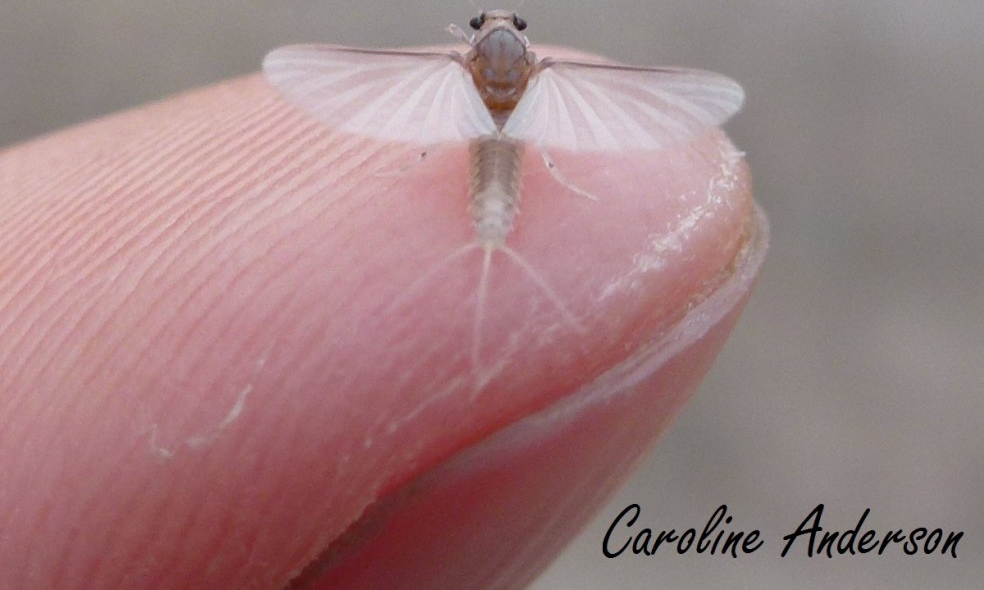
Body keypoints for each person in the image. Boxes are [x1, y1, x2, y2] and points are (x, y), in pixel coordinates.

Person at [0, 61, 765, 588]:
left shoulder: (463, 75)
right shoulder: (535, 79)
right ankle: (493, 251)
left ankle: (490, 248)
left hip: (490, 171)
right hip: (508, 169)